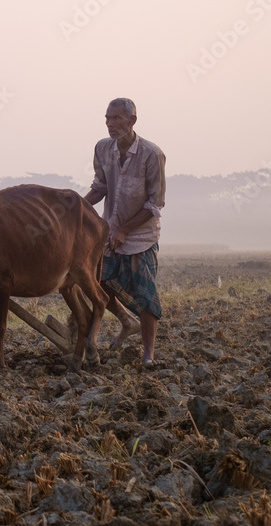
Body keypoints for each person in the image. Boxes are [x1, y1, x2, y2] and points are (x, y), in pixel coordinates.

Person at [84, 98, 166, 366]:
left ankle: (148, 355)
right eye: (107, 118)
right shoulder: (102, 149)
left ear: (132, 121)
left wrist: (124, 230)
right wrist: (76, 208)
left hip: (140, 237)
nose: (110, 124)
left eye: (117, 118)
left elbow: (154, 204)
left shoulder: (152, 155)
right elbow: (100, 187)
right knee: (100, 284)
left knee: (146, 296)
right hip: (110, 234)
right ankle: (124, 321)